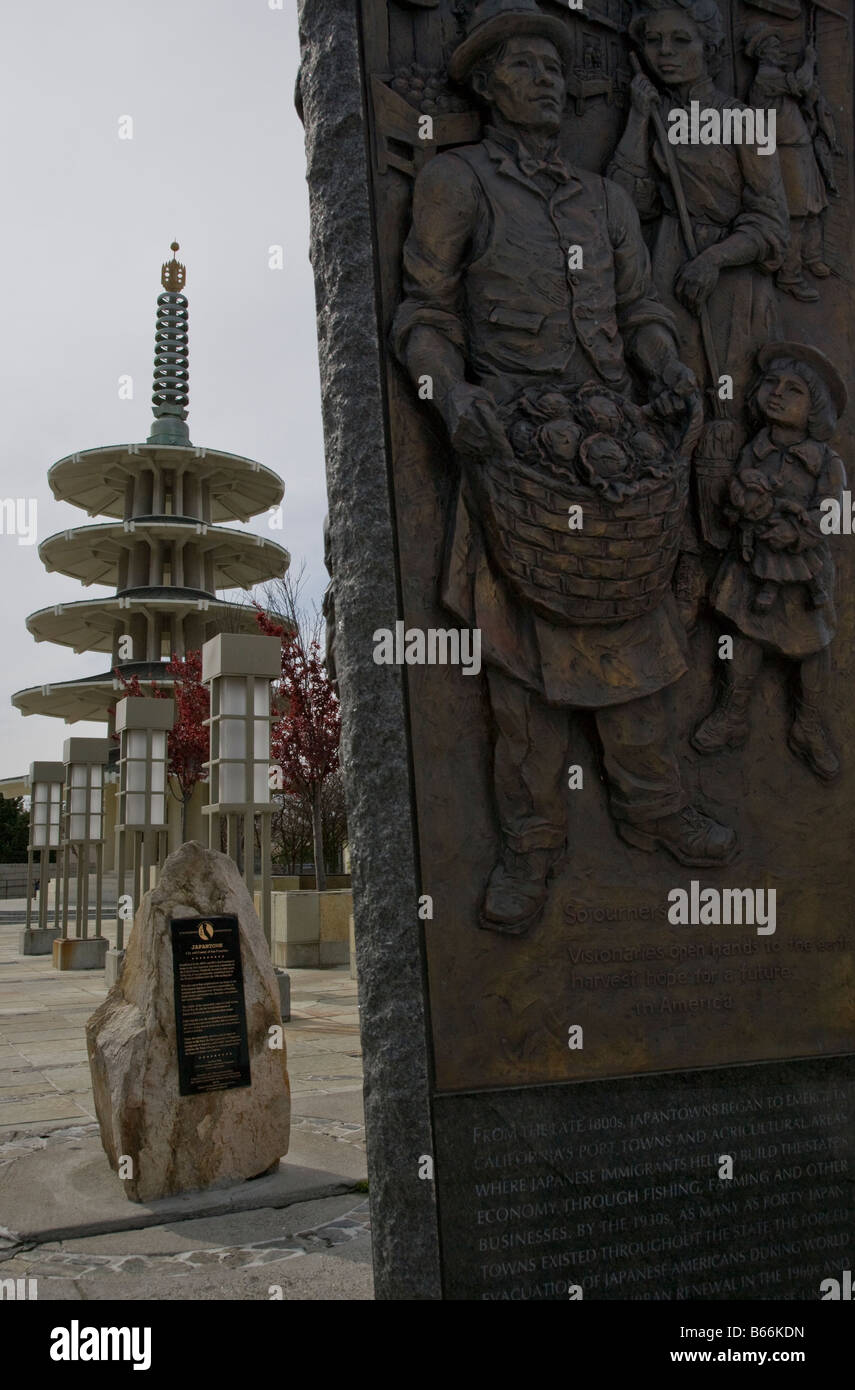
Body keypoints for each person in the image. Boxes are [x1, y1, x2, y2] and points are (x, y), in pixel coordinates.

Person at [393, 0, 737, 937]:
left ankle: (652, 805)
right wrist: (450, 398)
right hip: (516, 455)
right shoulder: (456, 182)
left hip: (610, 456)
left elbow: (641, 311)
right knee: (520, 675)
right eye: (524, 68)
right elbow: (421, 316)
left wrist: (665, 365)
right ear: (486, 86)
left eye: (554, 67)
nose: (546, 81)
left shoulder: (604, 199)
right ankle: (531, 844)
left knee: (638, 658)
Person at [608, 0, 789, 413]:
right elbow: (622, 203)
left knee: (730, 402)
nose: (664, 52)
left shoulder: (745, 120)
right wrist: (638, 118)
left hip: (732, 278)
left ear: (709, 47)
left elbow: (772, 225)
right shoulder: (656, 116)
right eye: (653, 41)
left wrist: (713, 260)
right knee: (672, 394)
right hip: (668, 262)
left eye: (680, 39)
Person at [693, 342, 846, 780]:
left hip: (801, 576)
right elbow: (739, 495)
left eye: (793, 389)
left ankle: (810, 724)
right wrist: (742, 504)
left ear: (815, 408)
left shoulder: (827, 463)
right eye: (772, 384)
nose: (777, 393)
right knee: (742, 638)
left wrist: (799, 531)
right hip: (752, 564)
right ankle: (733, 713)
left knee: (813, 647)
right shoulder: (756, 447)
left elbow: (838, 515)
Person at [745, 26, 836, 302]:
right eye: (774, 46)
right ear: (762, 53)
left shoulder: (775, 77)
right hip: (786, 155)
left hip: (801, 152)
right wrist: (809, 59)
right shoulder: (765, 78)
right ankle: (790, 275)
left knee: (813, 210)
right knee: (795, 216)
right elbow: (801, 82)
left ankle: (812, 257)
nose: (780, 50)